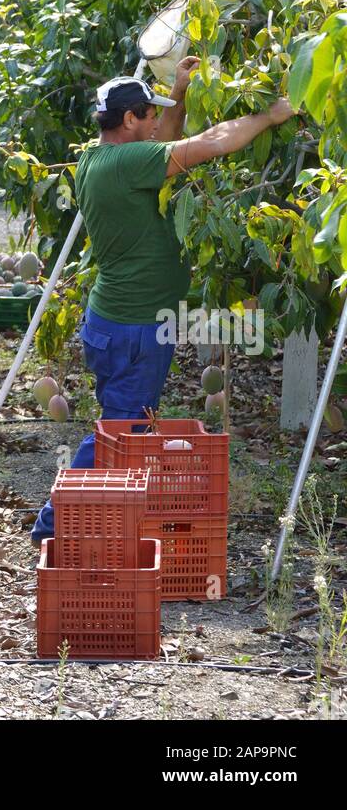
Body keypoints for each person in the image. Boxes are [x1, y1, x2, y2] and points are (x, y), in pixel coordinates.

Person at [31, 61, 295, 546]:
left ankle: (98, 518)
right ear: (129, 120)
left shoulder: (98, 159)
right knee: (122, 431)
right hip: (135, 329)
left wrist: (177, 90)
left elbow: (163, 149)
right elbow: (211, 142)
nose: (158, 122)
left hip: (114, 321)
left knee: (125, 422)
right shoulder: (129, 163)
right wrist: (271, 116)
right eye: (151, 114)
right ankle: (53, 523)